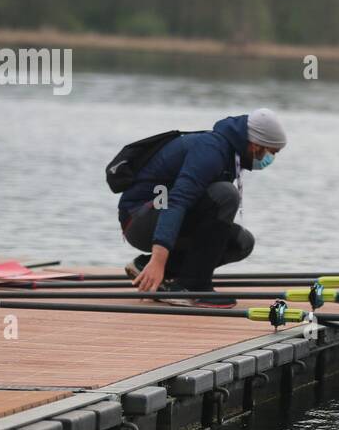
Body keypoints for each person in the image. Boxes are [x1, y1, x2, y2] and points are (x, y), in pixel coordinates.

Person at [117, 109, 286, 307]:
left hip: (162, 218)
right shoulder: (211, 149)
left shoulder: (230, 154)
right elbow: (176, 201)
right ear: (256, 146)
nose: (271, 159)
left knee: (241, 242)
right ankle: (192, 287)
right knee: (226, 193)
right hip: (139, 220)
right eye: (272, 152)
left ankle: (154, 270)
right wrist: (159, 259)